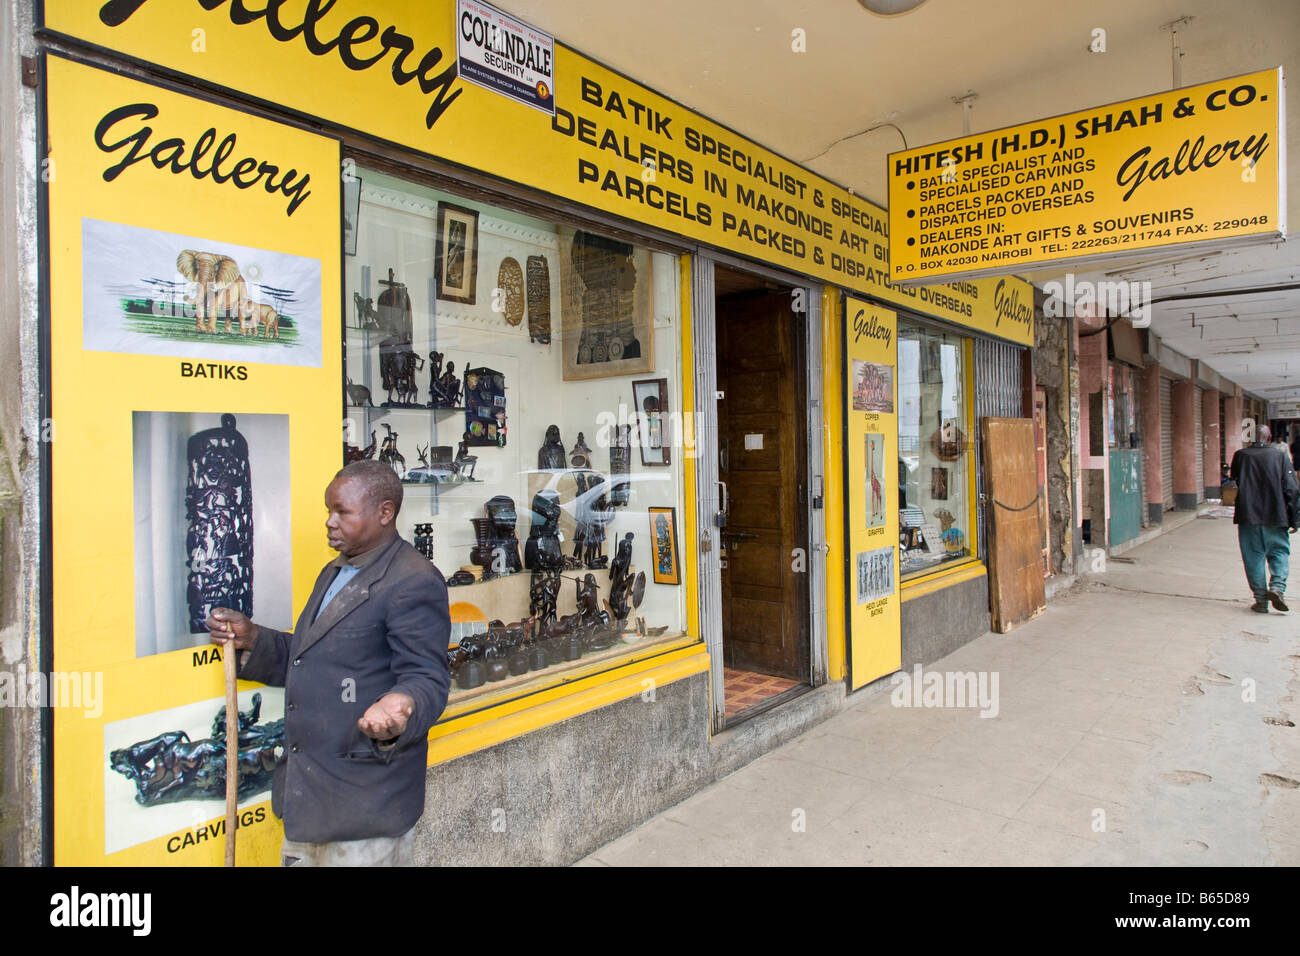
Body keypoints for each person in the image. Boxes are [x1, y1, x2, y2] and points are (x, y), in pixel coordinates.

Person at [206, 460, 450, 865]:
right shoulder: (334, 572)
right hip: (309, 798)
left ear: (385, 513)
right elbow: (307, 658)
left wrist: (403, 703)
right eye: (328, 511)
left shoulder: (414, 579)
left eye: (342, 512)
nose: (329, 522)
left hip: (363, 806)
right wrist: (255, 639)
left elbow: (426, 675)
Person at [1229, 425, 1299, 614]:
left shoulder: (1241, 455)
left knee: (1253, 557)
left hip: (1248, 516)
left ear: (1252, 438)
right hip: (1276, 515)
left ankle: (1261, 601)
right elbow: (1292, 489)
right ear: (1269, 438)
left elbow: (1234, 478)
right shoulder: (1280, 456)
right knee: (1279, 552)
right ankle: (1277, 588)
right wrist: (1294, 518)